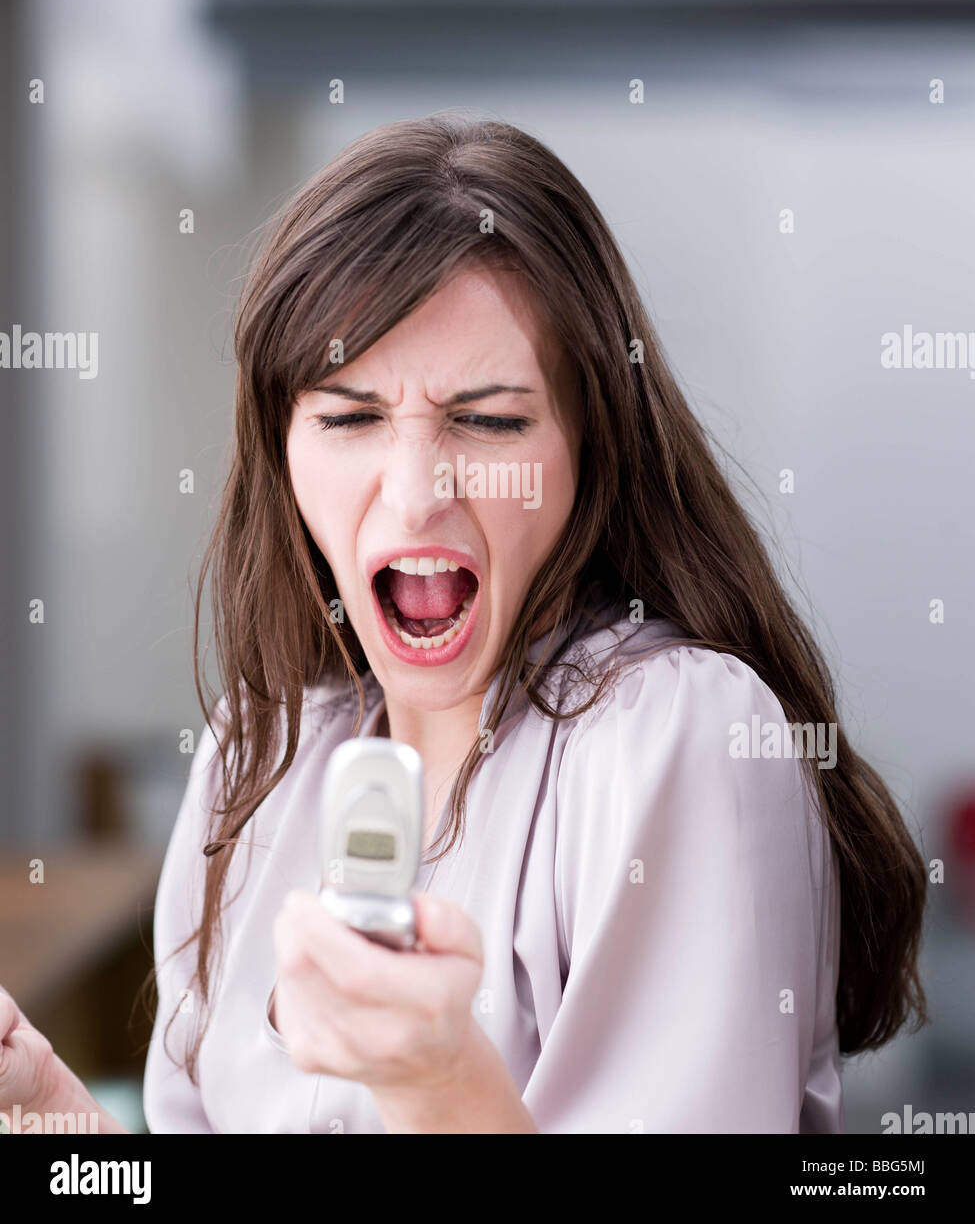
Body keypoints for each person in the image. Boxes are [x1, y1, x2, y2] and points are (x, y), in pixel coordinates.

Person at [0, 113, 927, 1134]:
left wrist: (439, 1084)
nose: (412, 495)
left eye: (488, 420)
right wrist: (55, 1120)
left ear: (591, 447)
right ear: (281, 449)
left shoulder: (681, 734)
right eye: (349, 418)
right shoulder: (257, 756)